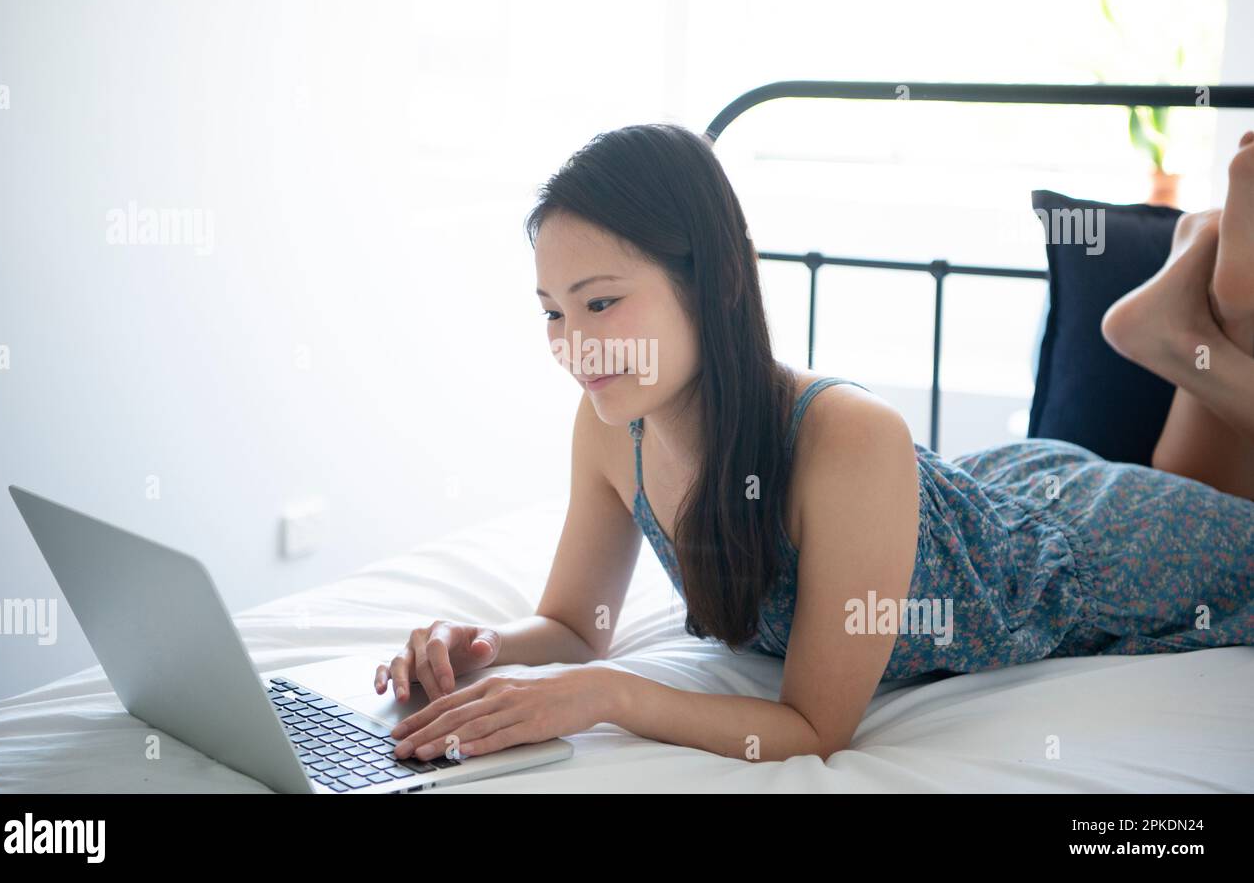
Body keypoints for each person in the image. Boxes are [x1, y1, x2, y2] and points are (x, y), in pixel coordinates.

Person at [374, 123, 1254, 764]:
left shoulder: (846, 437)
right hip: (990, 499)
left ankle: (1199, 305)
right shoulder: (613, 429)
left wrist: (603, 696)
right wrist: (480, 645)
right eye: (553, 313)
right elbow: (575, 623)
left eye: (601, 303)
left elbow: (812, 727)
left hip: (1088, 548)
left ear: (717, 279)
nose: (574, 345)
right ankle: (1207, 289)